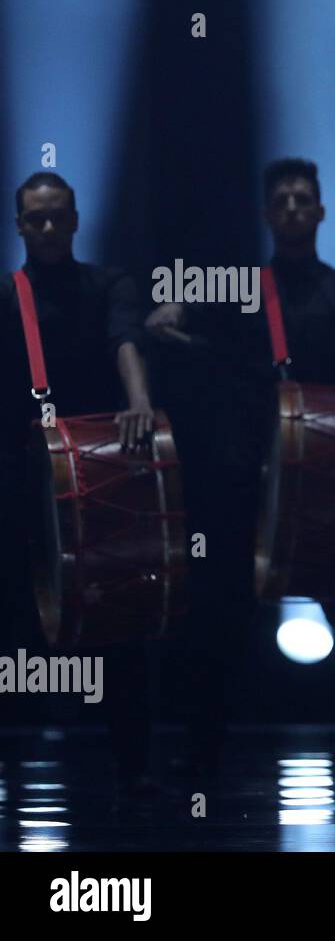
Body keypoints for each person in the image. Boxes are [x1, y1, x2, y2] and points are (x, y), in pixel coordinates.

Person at [146, 158, 335, 777]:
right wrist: (171, 314)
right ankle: (203, 751)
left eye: (302, 200)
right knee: (222, 607)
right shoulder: (243, 287)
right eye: (281, 200)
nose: (291, 208)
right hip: (248, 466)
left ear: (318, 211)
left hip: (323, 469)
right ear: (269, 214)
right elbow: (176, 303)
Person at [0, 172, 157, 795]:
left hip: (101, 472)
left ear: (74, 221)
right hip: (21, 474)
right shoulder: (8, 299)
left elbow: (126, 339)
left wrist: (139, 398)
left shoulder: (107, 285)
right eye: (33, 219)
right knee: (15, 616)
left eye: (56, 217)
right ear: (18, 225)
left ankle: (133, 772)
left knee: (119, 618)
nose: (45, 228)